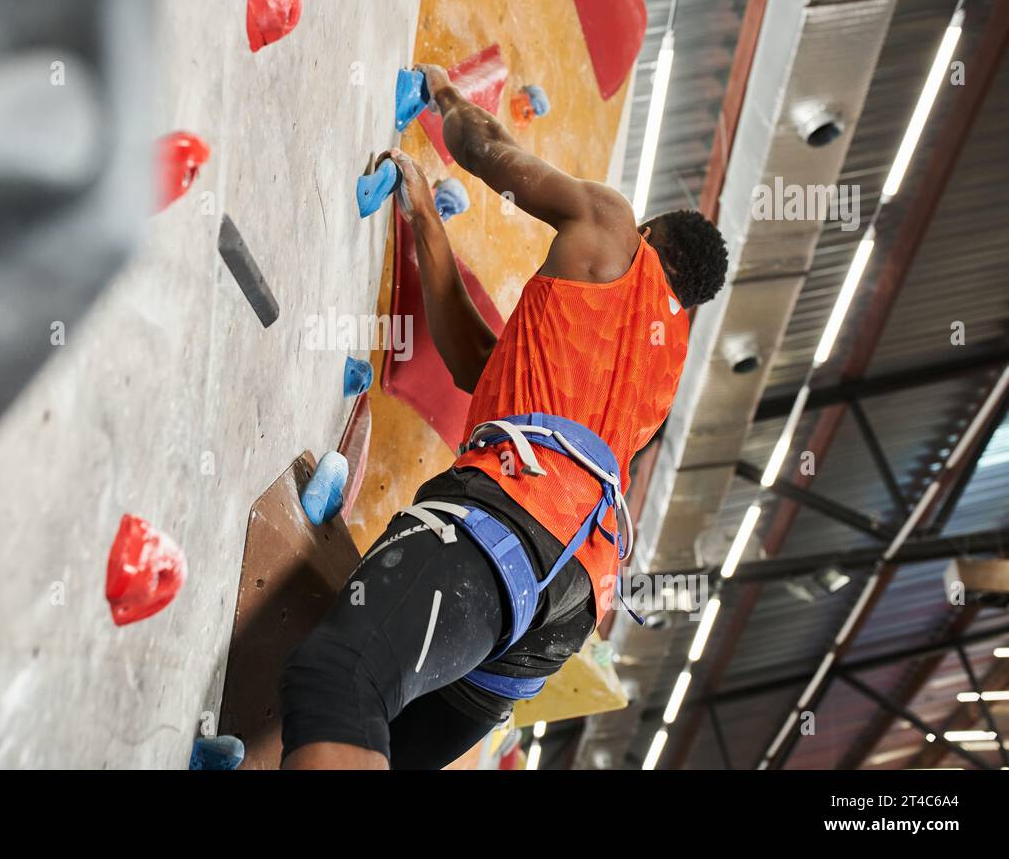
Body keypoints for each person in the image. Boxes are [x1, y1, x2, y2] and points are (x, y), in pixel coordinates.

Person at [279, 63, 729, 769]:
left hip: (508, 533)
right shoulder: (656, 380)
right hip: (561, 612)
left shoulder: (612, 230)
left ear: (648, 232)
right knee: (377, 748)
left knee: (339, 679)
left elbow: (488, 154)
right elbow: (477, 369)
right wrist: (426, 222)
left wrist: (446, 97)